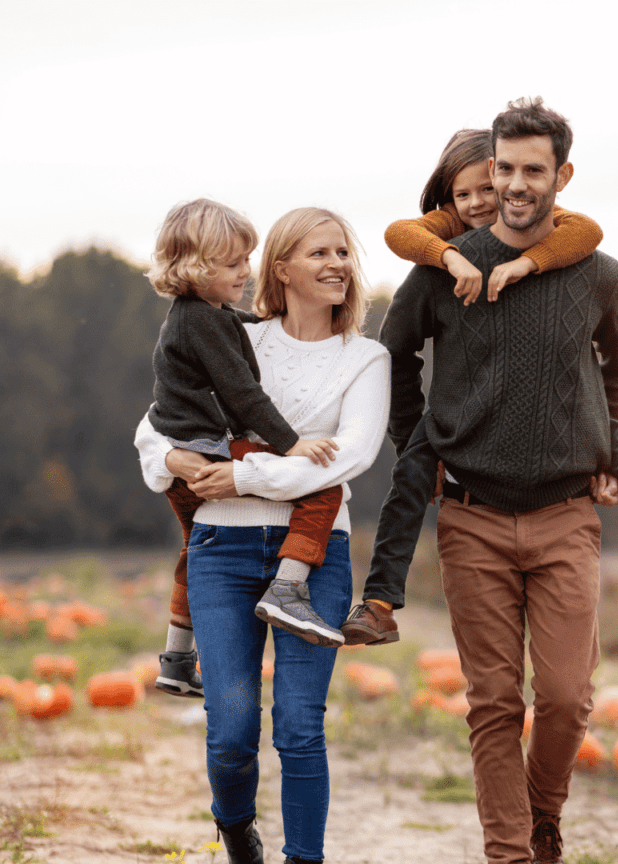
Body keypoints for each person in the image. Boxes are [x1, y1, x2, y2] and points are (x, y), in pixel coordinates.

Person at [380, 96, 618, 864]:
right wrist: (417, 440)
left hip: (566, 515)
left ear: (561, 175)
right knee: (493, 703)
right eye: (501, 169)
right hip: (471, 517)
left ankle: (543, 811)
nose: (512, 184)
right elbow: (395, 354)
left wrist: (611, 450)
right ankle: (511, 852)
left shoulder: (598, 273)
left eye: (529, 170)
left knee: (570, 698)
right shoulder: (439, 273)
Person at [341, 128, 618, 649]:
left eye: (488, 188)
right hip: (458, 430)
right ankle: (380, 603)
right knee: (408, 475)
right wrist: (411, 437)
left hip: (567, 443)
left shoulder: (565, 240)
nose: (478, 202)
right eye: (464, 193)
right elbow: (399, 241)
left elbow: (589, 232)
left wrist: (526, 262)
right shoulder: (444, 239)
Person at [135, 206, 389, 864]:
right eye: (319, 252)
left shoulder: (366, 358)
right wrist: (174, 462)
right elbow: (154, 425)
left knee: (301, 728)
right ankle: (235, 829)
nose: (337, 263)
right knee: (232, 733)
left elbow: (348, 456)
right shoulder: (235, 333)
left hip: (315, 554)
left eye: (343, 252)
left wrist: (241, 476)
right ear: (282, 268)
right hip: (223, 552)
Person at [144, 199, 349, 700]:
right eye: (234, 263)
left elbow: (236, 333)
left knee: (194, 550)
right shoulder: (205, 322)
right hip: (205, 450)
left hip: (186, 448)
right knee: (324, 490)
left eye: (247, 259)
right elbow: (242, 394)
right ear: (197, 267)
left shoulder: (201, 316)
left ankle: (175, 659)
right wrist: (292, 444)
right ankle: (288, 588)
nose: (246, 271)